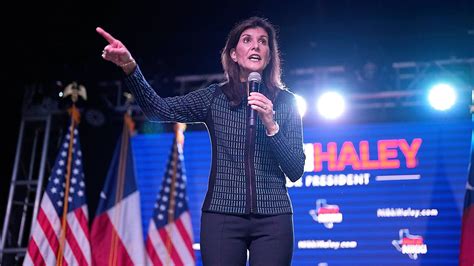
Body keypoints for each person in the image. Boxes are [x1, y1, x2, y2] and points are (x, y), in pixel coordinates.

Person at [97, 16, 305, 266]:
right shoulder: (214, 98)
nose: (256, 46)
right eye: (247, 40)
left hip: (274, 218)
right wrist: (130, 67)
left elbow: (295, 170)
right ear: (234, 55)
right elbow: (158, 110)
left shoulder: (286, 103)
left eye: (263, 42)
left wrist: (271, 124)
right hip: (222, 216)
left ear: (269, 56)